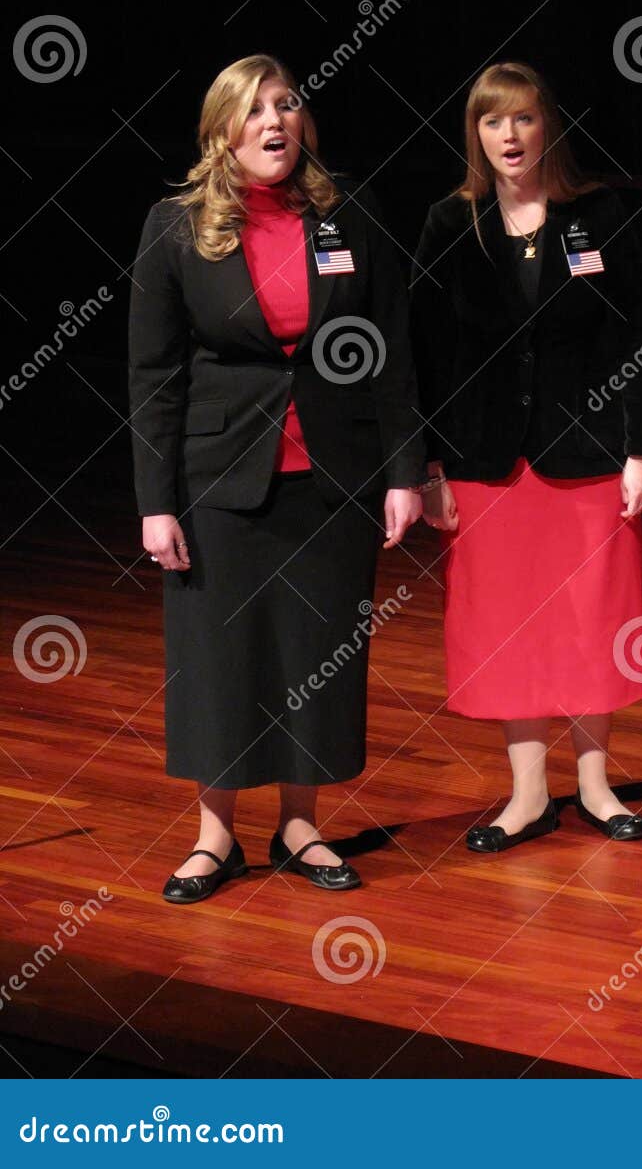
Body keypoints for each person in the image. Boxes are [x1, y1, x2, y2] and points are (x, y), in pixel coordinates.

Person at [129, 54, 426, 903]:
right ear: (223, 130)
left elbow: (392, 350)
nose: (275, 123)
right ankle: (214, 836)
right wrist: (155, 504)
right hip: (217, 476)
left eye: (287, 106)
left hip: (333, 472)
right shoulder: (176, 227)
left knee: (318, 656)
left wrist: (405, 470)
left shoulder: (348, 213)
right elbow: (151, 377)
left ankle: (301, 825)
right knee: (218, 657)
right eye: (256, 110)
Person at [411, 62, 642, 851]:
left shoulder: (598, 214)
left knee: (592, 620)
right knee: (508, 625)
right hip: (485, 459)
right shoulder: (451, 225)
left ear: (546, 125)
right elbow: (422, 352)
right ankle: (527, 794)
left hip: (586, 454)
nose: (509, 136)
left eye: (522, 119)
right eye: (493, 123)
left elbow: (639, 337)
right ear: (475, 135)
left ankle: (593, 786)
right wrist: (424, 466)